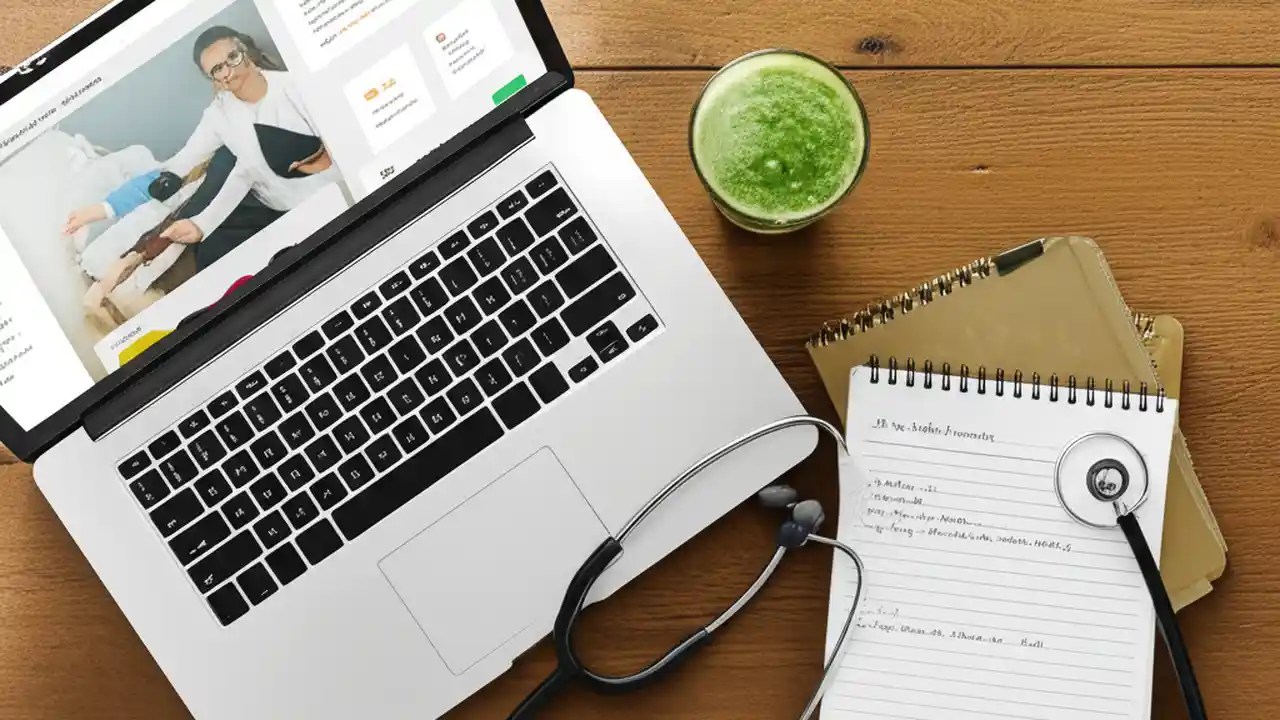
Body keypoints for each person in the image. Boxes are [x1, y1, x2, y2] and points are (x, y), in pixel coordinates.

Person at [64, 26, 337, 277]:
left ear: (245, 51)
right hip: (269, 206)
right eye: (217, 69)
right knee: (211, 255)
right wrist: (104, 208)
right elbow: (175, 168)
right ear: (212, 78)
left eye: (232, 58)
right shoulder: (219, 115)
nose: (228, 72)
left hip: (332, 195)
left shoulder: (295, 87)